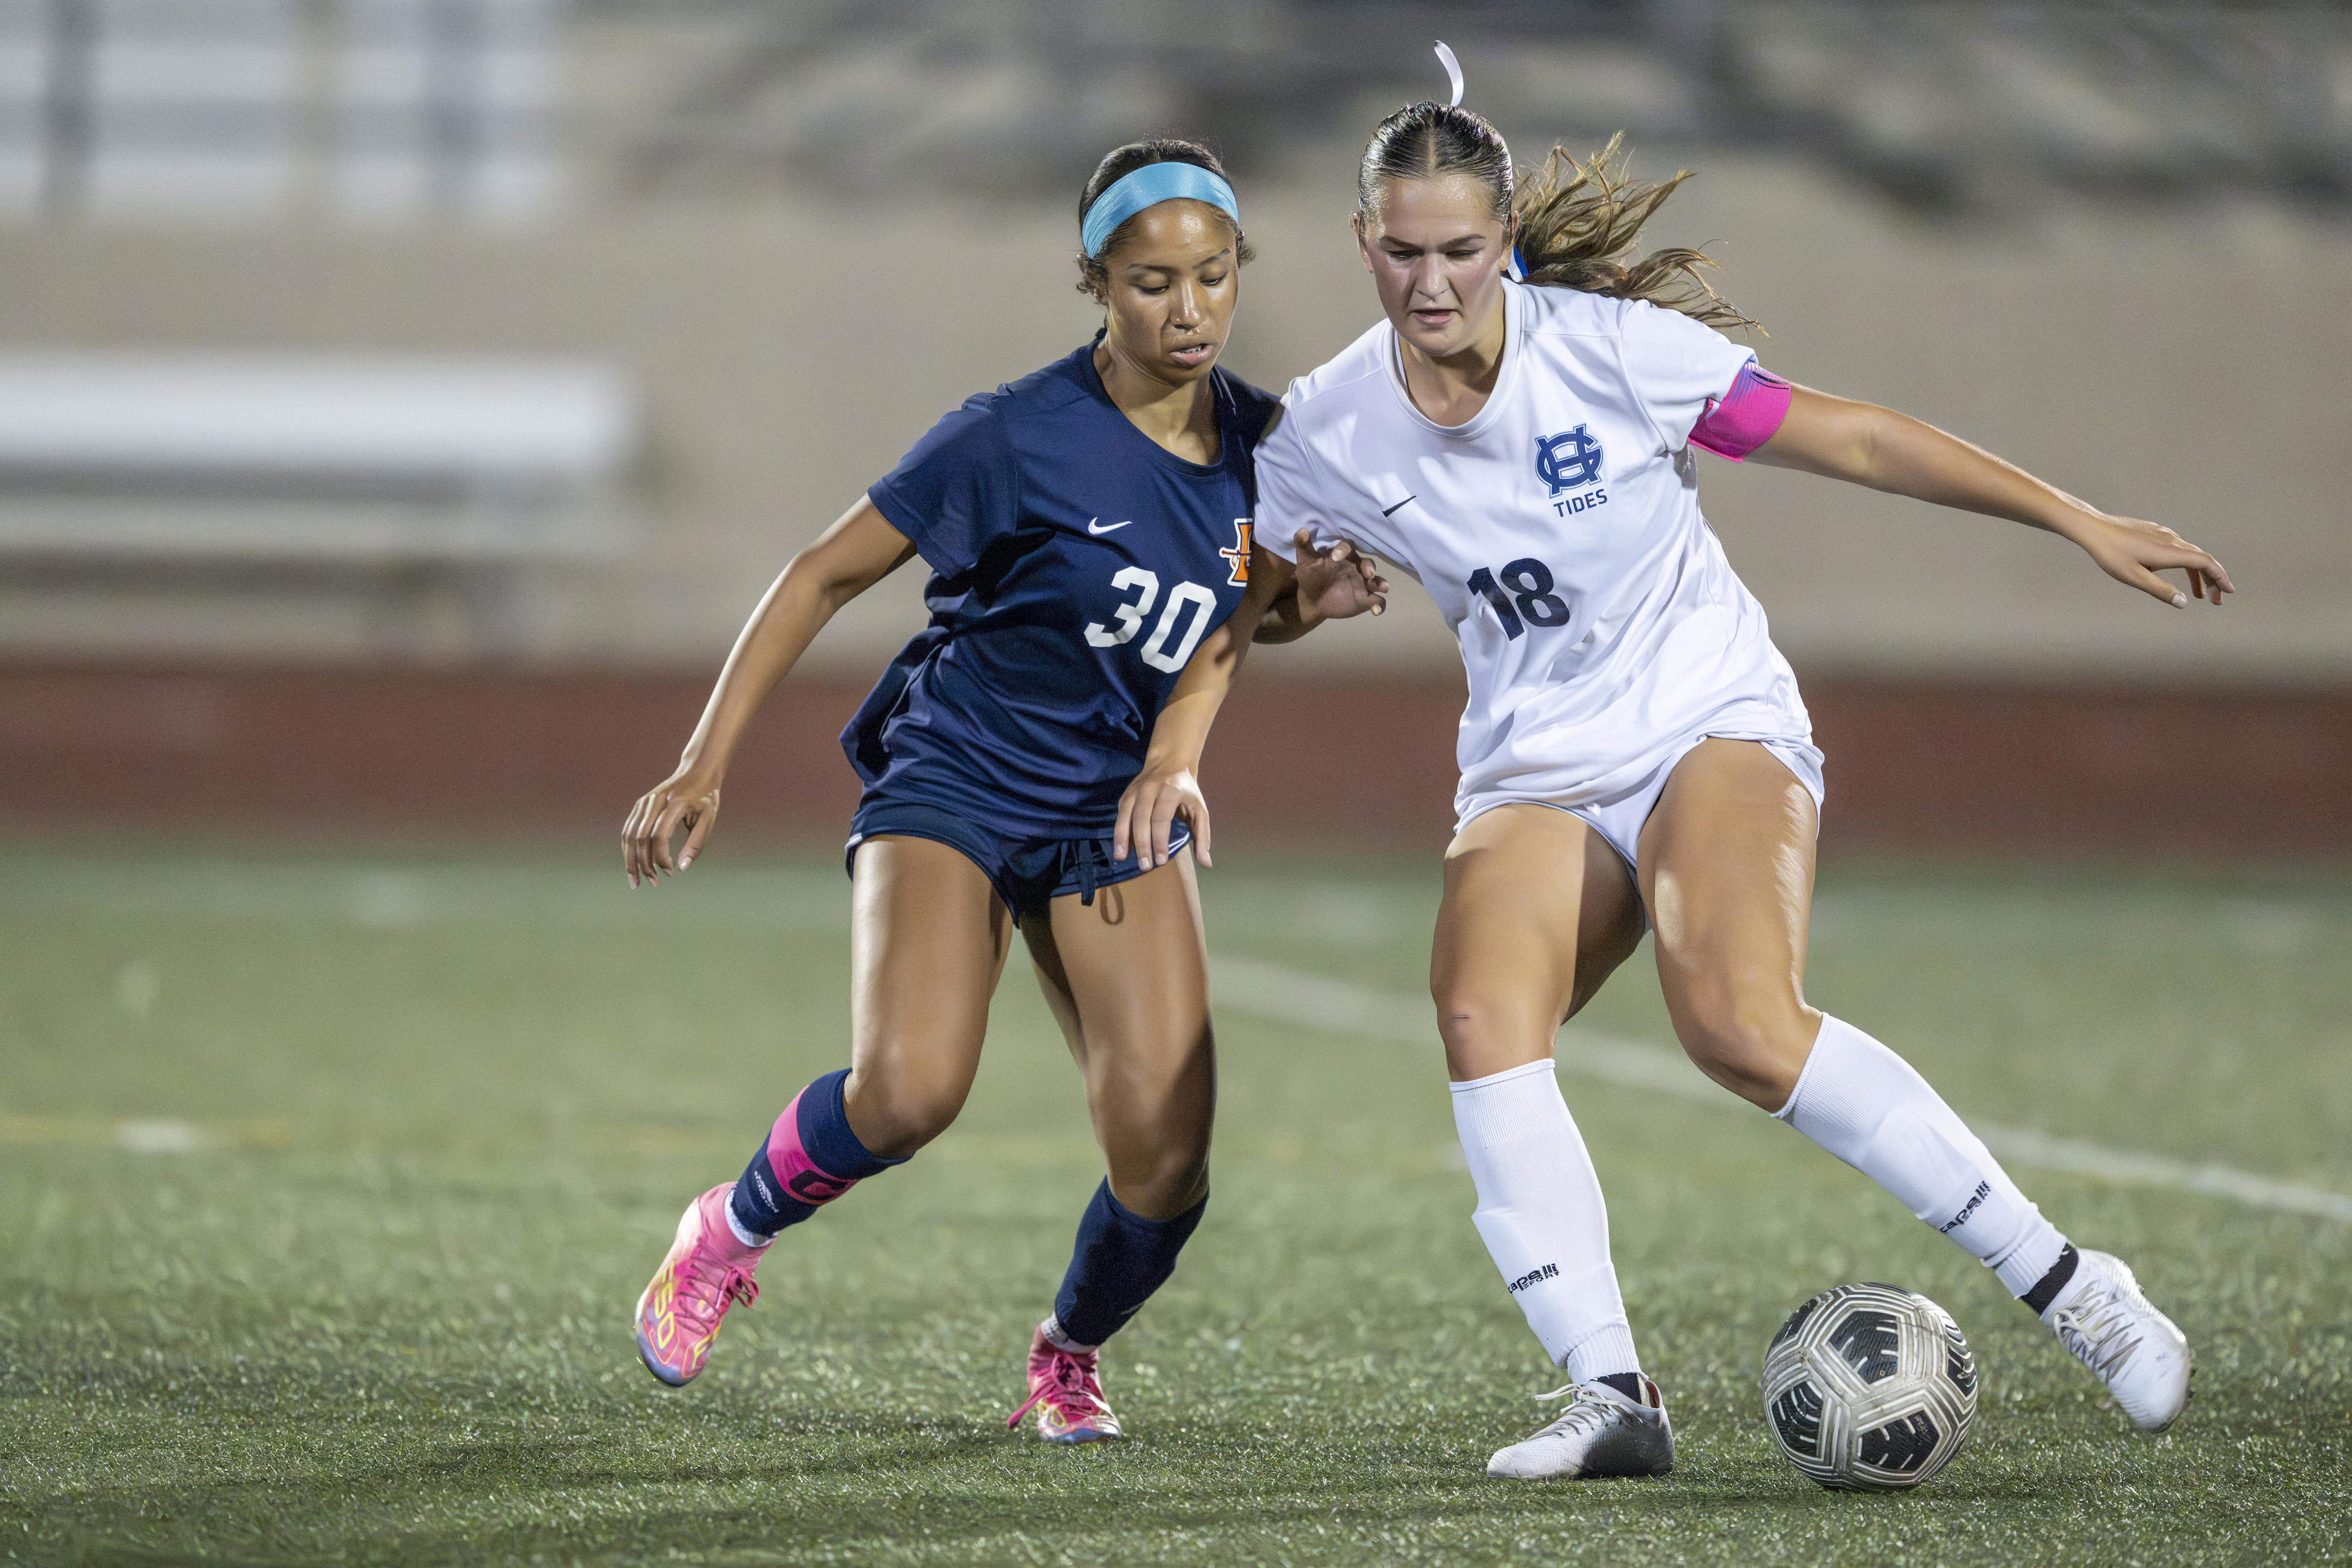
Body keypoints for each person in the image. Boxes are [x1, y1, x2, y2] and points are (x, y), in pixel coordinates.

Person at [1122, 89, 2227, 1480]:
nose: (1432, 282)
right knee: (1478, 1010)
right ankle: (1612, 1397)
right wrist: (1307, 607)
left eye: (1460, 250)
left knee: (1741, 1027)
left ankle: (2076, 1286)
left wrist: (2076, 519)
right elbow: (1258, 605)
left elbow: (1861, 441)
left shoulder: (1616, 355)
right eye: (1403, 253)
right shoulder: (1328, 427)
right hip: (1533, 764)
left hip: (1707, 716)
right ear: (1363, 245)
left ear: (1503, 237)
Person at [618, 138, 1319, 1443]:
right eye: (1152, 280)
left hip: (1110, 808)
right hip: (960, 775)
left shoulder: (1270, 445)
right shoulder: (1014, 434)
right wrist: (704, 759)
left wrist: (1301, 602)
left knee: (1167, 1169)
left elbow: (1230, 614)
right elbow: (823, 573)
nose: (1188, 310)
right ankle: (726, 1229)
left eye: (1213, 277)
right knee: (910, 1090)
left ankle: (1068, 1351)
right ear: (1094, 282)